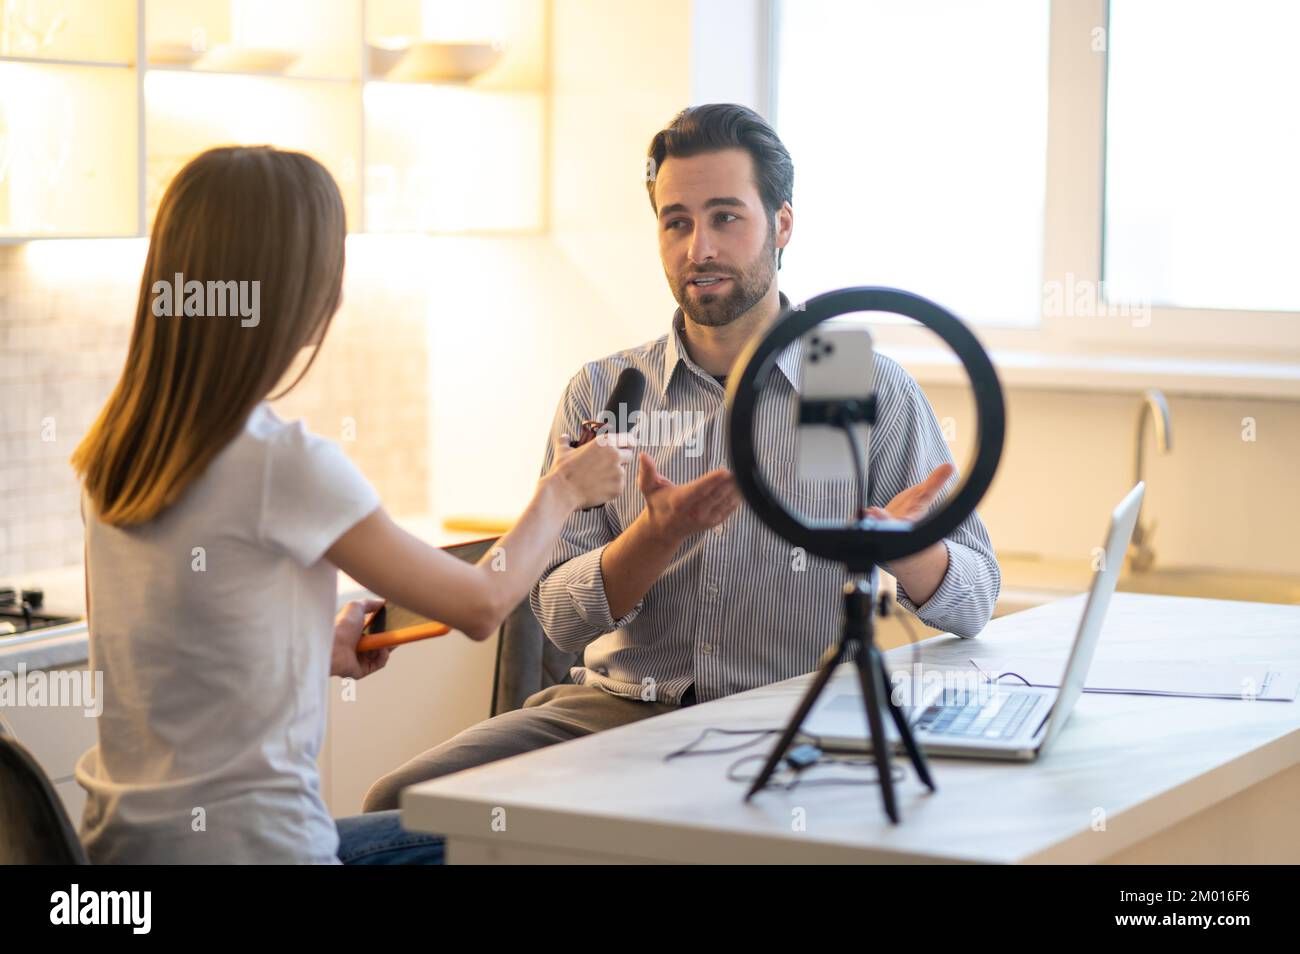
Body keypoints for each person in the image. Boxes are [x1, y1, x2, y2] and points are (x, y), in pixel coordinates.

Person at [363, 103, 1000, 811]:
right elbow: (555, 618)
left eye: (726, 217)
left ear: (781, 225)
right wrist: (654, 539)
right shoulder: (611, 392)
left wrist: (903, 547)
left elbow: (974, 601)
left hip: (790, 718)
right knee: (400, 799)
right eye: (677, 222)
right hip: (615, 714)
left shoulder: (844, 381)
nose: (699, 248)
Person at [72, 145, 631, 864]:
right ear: (298, 289)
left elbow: (158, 653)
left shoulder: (112, 452)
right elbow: (481, 603)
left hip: (127, 855)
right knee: (525, 831)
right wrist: (563, 491)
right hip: (266, 853)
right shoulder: (283, 462)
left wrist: (308, 650)